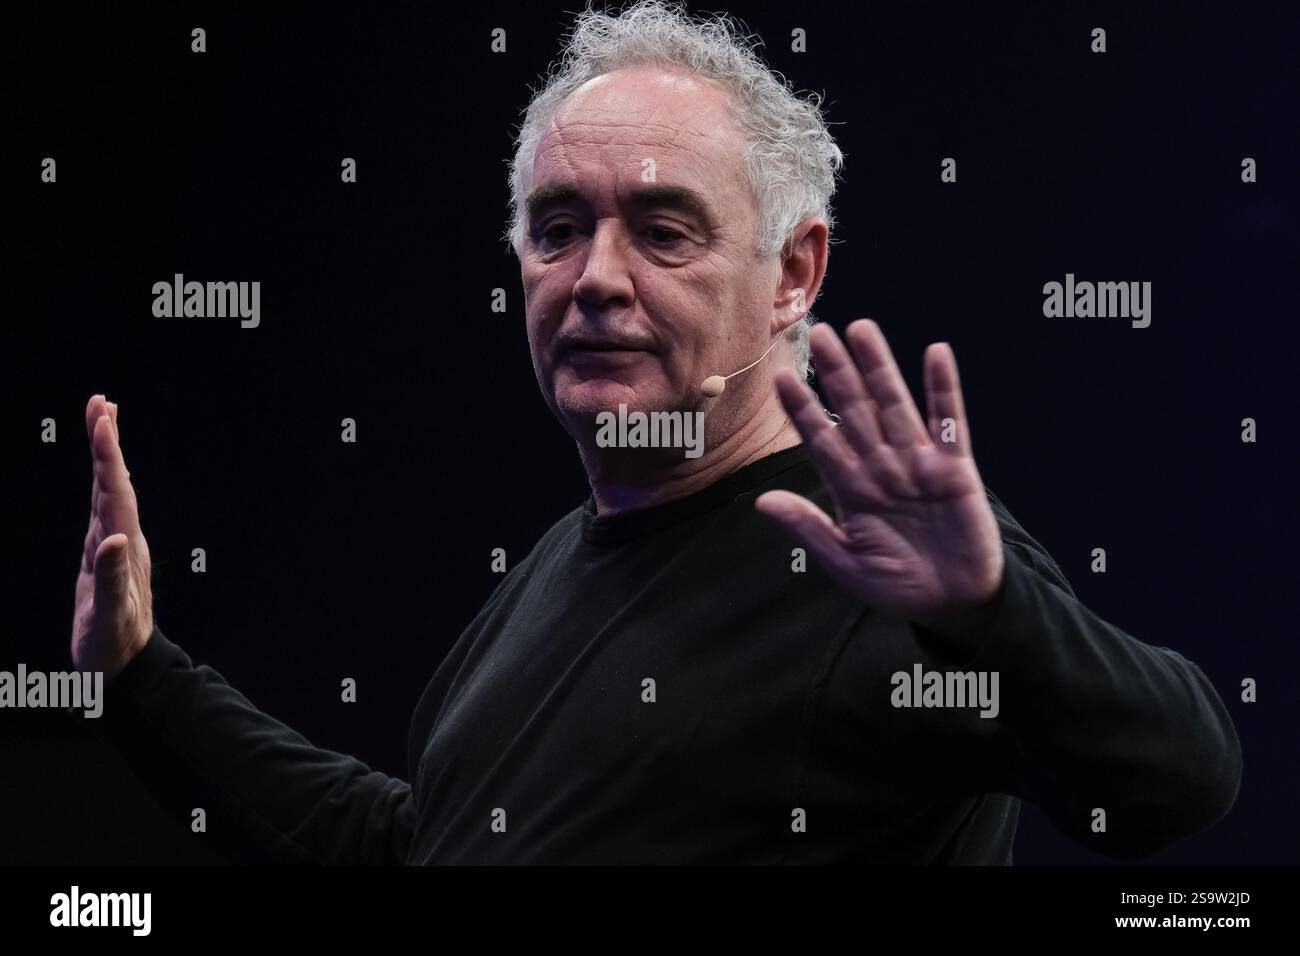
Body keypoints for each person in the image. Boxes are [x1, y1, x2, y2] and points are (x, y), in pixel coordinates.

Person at [72, 1, 1241, 864]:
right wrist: (142, 679)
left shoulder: (872, 562)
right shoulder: (553, 564)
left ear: (793, 272)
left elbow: (1177, 778)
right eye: (558, 228)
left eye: (663, 230)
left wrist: (991, 614)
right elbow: (419, 847)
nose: (595, 279)